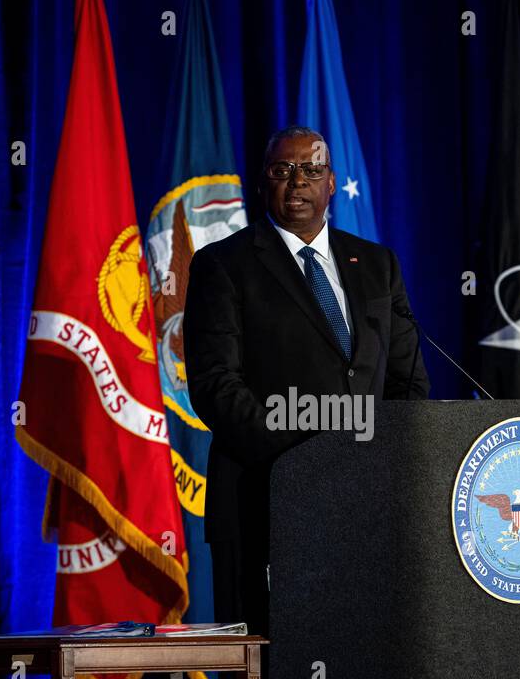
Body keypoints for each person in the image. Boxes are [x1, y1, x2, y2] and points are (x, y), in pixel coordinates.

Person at [184, 125, 430, 629]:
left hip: (366, 509)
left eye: (311, 170)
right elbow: (217, 387)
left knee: (361, 677)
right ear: (262, 182)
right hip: (265, 505)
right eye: (283, 170)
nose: (297, 182)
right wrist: (310, 461)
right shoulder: (223, 266)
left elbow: (406, 384)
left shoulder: (377, 264)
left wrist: (382, 464)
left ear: (332, 184)